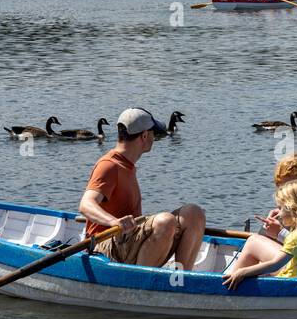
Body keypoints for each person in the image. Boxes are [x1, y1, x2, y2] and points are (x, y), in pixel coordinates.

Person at [79, 108, 205, 270]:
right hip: (103, 248)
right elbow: (85, 204)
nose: (154, 138)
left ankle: (181, 278)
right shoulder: (109, 165)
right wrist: (113, 222)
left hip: (127, 242)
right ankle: (141, 281)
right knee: (165, 221)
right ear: (144, 136)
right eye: (153, 133)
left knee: (194, 214)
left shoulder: (127, 166)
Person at [221, 181, 297, 289]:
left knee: (252, 241)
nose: (278, 214)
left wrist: (242, 272)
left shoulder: (296, 236)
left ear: (292, 209)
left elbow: (275, 265)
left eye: (280, 208)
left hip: (288, 282)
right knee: (257, 260)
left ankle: (229, 286)